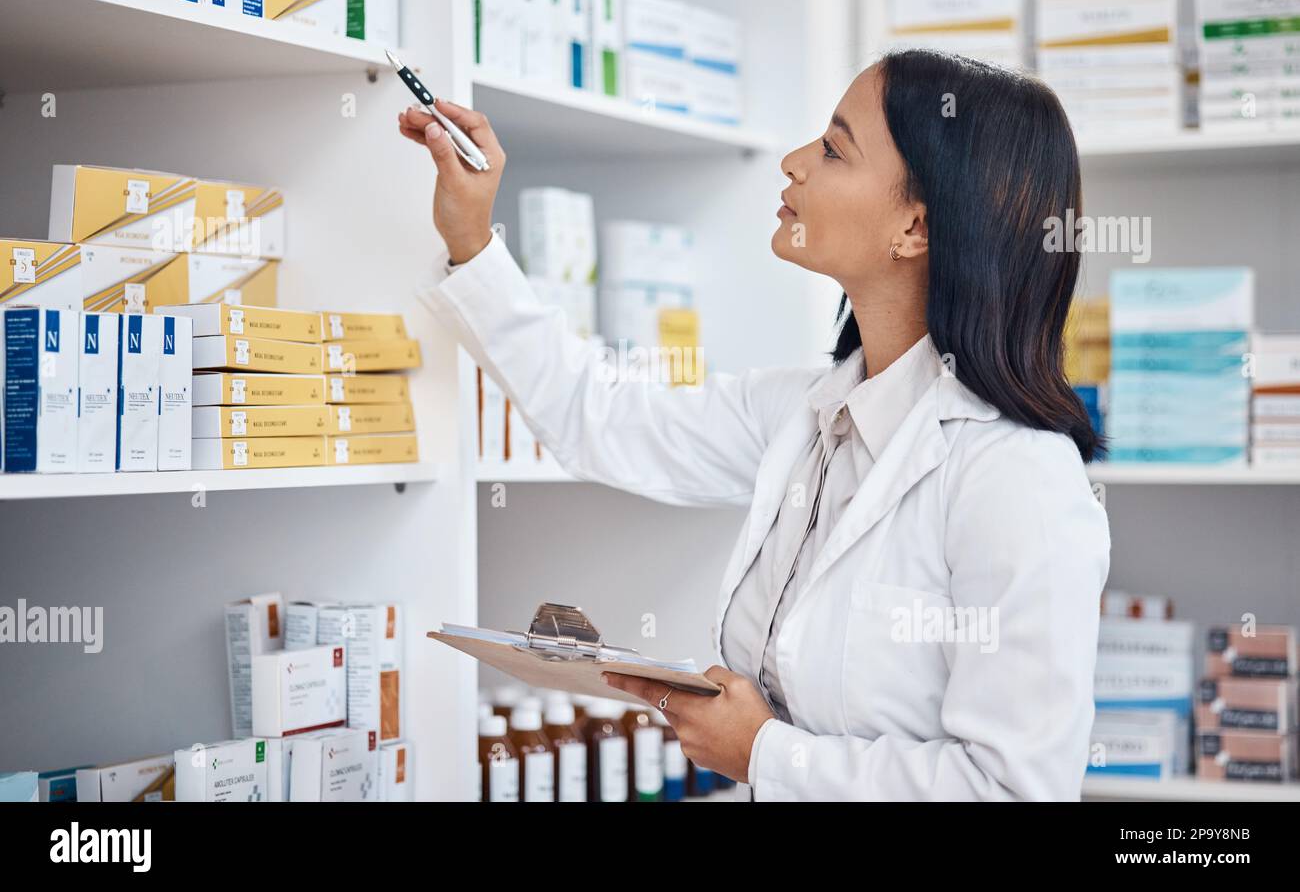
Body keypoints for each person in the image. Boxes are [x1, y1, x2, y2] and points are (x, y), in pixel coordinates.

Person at [401, 49, 1111, 801]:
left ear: (915, 226)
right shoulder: (805, 413)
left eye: (834, 149)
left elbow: (1011, 788)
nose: (795, 161)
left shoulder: (1016, 477)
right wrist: (472, 239)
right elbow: (599, 413)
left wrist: (767, 753)